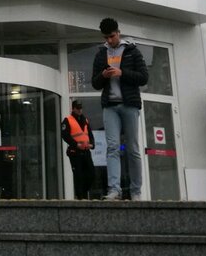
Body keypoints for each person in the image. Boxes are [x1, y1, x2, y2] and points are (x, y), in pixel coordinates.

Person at [91, 16, 148, 201]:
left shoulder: (132, 51)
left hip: (130, 105)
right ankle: (114, 189)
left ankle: (136, 191)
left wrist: (122, 73)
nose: (109, 40)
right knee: (113, 147)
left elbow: (143, 77)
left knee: (132, 148)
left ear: (118, 32)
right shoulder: (101, 54)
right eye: (106, 37)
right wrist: (104, 75)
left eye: (112, 36)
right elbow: (95, 83)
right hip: (110, 106)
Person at [61, 99, 95, 200]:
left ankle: (83, 193)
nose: (80, 110)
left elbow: (90, 134)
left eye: (81, 108)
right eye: (77, 108)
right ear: (73, 108)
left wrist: (92, 144)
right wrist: (76, 144)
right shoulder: (68, 120)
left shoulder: (85, 120)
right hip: (75, 152)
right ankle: (80, 197)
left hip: (86, 151)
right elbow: (65, 135)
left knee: (91, 174)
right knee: (78, 176)